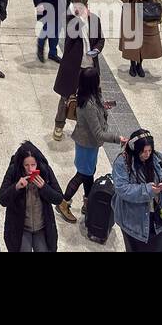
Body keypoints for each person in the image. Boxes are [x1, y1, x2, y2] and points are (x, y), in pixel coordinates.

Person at [57, 67, 124, 224]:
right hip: (86, 145)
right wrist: (118, 139)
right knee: (83, 174)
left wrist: (102, 107)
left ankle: (87, 203)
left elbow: (96, 109)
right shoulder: (87, 105)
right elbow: (98, 133)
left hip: (89, 145)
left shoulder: (91, 95)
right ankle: (64, 202)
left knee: (88, 173)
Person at [111, 129, 162, 252]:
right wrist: (148, 190)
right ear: (135, 149)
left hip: (158, 218)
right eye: (143, 151)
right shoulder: (122, 162)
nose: (147, 154)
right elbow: (122, 189)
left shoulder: (159, 159)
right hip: (133, 222)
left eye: (149, 150)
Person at [51, 0, 103, 140]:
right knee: (65, 97)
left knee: (91, 98)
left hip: (90, 67)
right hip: (73, 66)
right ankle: (59, 125)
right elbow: (71, 35)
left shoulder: (94, 20)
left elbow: (101, 39)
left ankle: (86, 126)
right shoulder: (70, 21)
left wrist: (97, 49)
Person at [117, 0, 162, 78]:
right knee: (131, 40)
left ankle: (139, 64)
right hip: (130, 12)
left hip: (144, 13)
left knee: (143, 40)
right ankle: (132, 64)